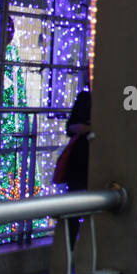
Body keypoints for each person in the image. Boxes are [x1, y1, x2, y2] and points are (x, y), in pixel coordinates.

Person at [60, 90, 92, 245]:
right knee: (77, 205)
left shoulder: (85, 97)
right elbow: (70, 126)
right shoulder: (85, 98)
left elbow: (70, 126)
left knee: (74, 205)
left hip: (81, 162)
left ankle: (71, 244)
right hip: (82, 162)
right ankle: (72, 243)